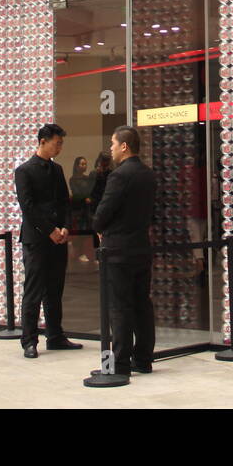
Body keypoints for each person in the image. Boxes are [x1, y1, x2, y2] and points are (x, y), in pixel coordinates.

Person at [92, 126, 156, 376]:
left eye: (113, 143)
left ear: (124, 146)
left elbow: (104, 212)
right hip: (141, 247)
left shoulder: (119, 176)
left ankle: (118, 364)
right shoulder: (148, 175)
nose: (110, 148)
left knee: (118, 307)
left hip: (117, 250)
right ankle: (143, 359)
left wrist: (98, 226)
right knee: (142, 304)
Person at [14, 124, 82, 357]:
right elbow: (28, 207)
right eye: (57, 142)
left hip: (58, 238)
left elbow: (65, 202)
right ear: (43, 141)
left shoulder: (58, 169)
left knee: (55, 289)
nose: (60, 147)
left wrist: (64, 227)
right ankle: (29, 340)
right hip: (36, 239)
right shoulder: (24, 171)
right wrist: (50, 230)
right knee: (33, 290)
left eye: (61, 143)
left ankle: (55, 336)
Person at [68, 156, 95, 265]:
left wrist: (89, 198)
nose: (84, 166)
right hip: (78, 209)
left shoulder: (88, 178)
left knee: (88, 231)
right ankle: (77, 254)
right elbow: (76, 193)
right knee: (78, 232)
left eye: (85, 164)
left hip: (87, 209)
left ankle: (86, 253)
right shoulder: (72, 179)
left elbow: (90, 191)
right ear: (77, 165)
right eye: (82, 164)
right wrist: (85, 198)